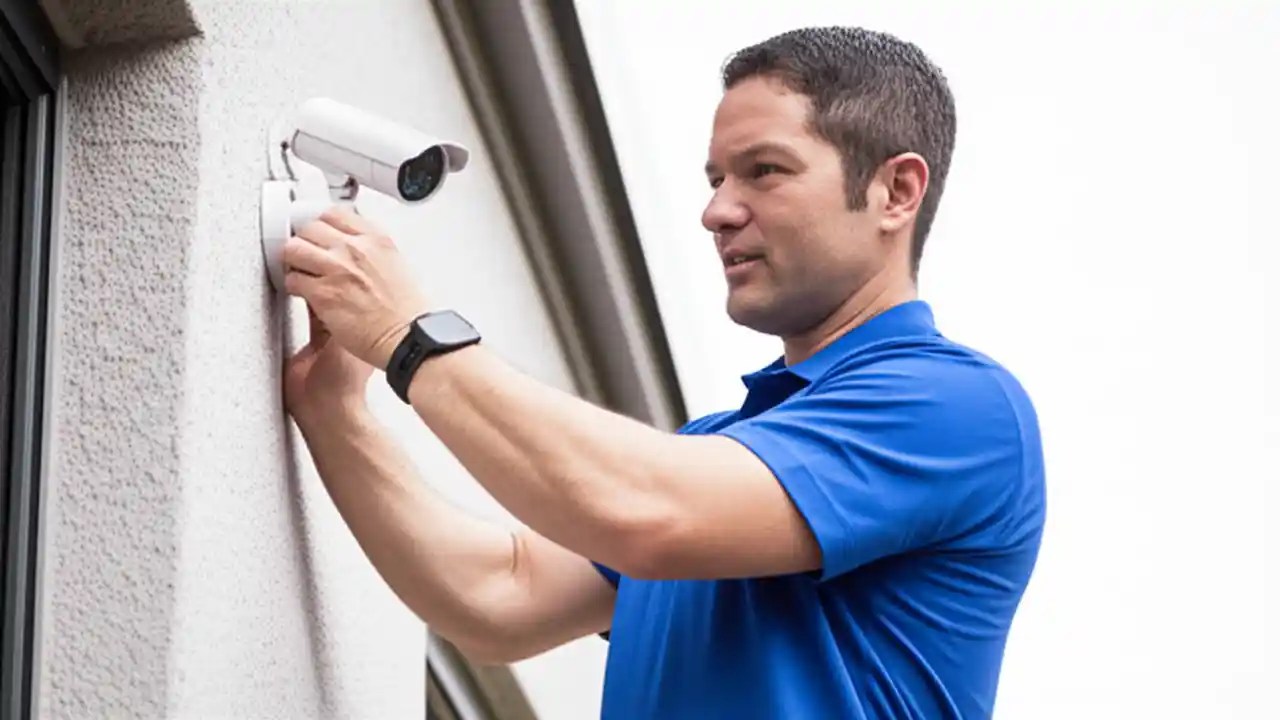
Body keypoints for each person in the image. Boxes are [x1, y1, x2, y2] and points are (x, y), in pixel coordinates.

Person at [280, 25, 1045, 720]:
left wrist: (405, 336)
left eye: (765, 171)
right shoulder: (718, 452)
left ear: (895, 191)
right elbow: (498, 594)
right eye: (716, 178)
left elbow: (643, 508)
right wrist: (334, 410)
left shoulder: (957, 408)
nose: (717, 210)